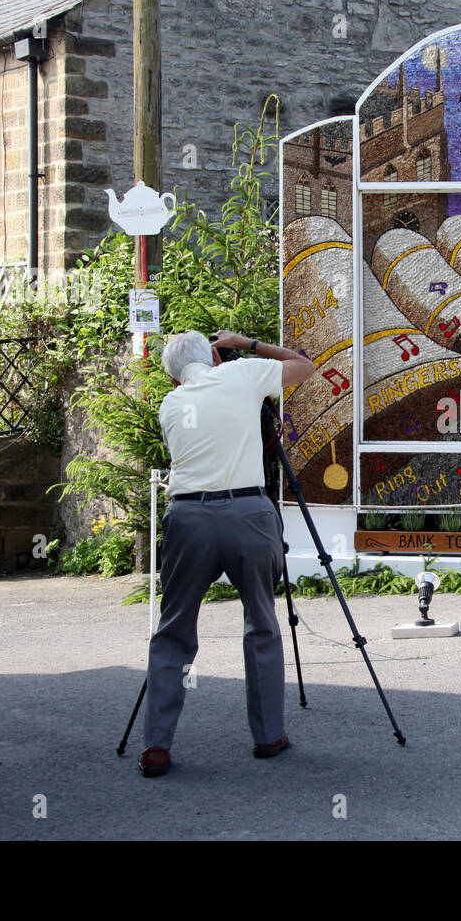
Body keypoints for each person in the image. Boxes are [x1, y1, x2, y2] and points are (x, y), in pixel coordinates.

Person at [139, 329, 315, 777]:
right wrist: (248, 344)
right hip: (248, 514)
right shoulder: (242, 375)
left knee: (174, 630)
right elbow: (304, 365)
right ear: (215, 358)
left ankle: (156, 745)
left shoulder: (171, 404)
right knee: (261, 621)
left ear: (173, 378)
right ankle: (268, 735)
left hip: (189, 518)